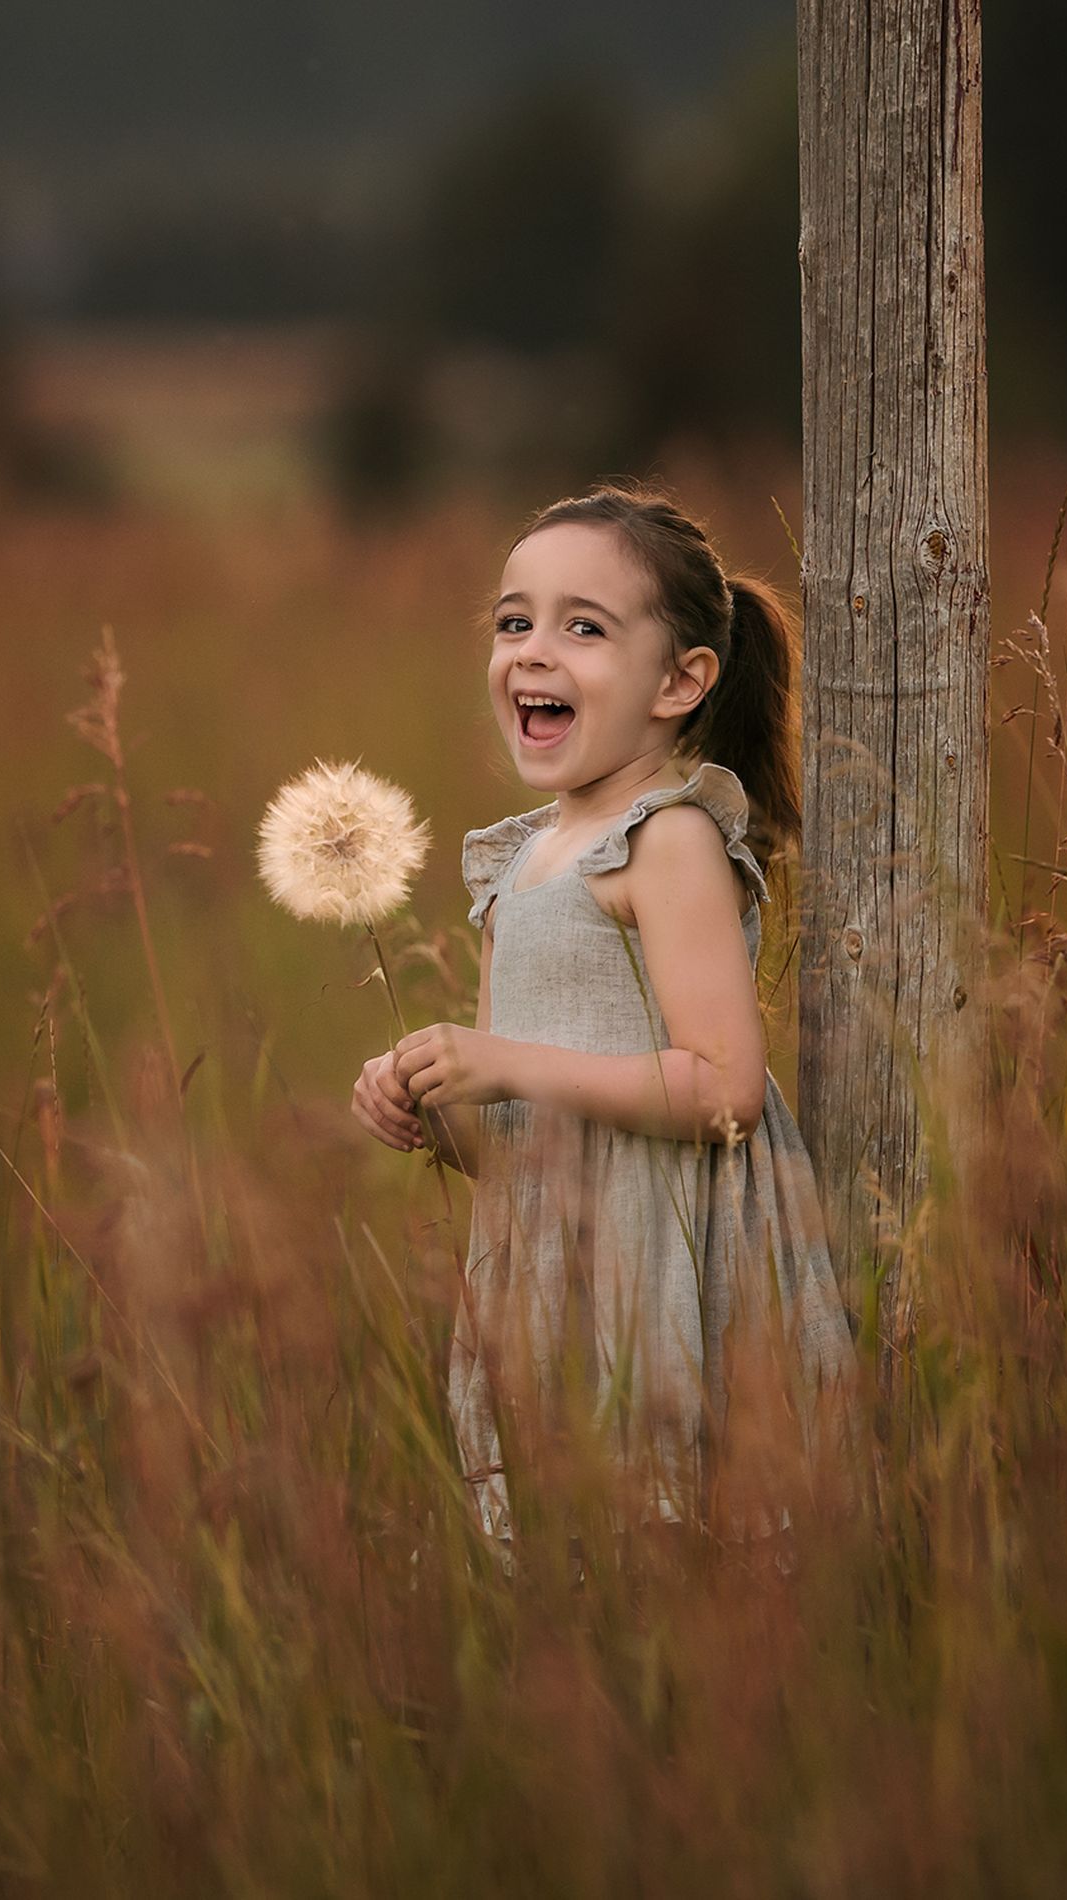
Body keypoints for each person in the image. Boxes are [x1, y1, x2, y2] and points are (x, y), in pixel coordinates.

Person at [350, 479, 860, 1555]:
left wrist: (509, 1062)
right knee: (574, 1569)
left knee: (681, 1560)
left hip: (663, 1265)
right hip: (559, 1280)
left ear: (680, 680)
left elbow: (724, 1091)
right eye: (514, 622)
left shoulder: (667, 839)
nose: (533, 652)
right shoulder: (517, 862)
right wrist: (431, 1108)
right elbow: (513, 1149)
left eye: (583, 627)